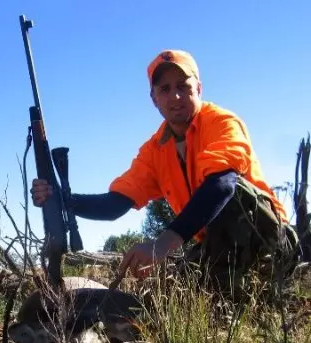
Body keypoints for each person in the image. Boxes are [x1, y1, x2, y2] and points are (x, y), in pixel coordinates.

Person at [31, 49, 298, 300]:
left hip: (271, 242)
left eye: (183, 86)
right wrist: (63, 200)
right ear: (154, 98)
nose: (175, 96)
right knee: (168, 297)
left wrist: (163, 244)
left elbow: (223, 185)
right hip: (217, 247)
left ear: (199, 88)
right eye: (165, 89)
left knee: (235, 194)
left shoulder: (221, 122)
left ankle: (240, 291)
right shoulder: (155, 149)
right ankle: (226, 293)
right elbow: (115, 204)